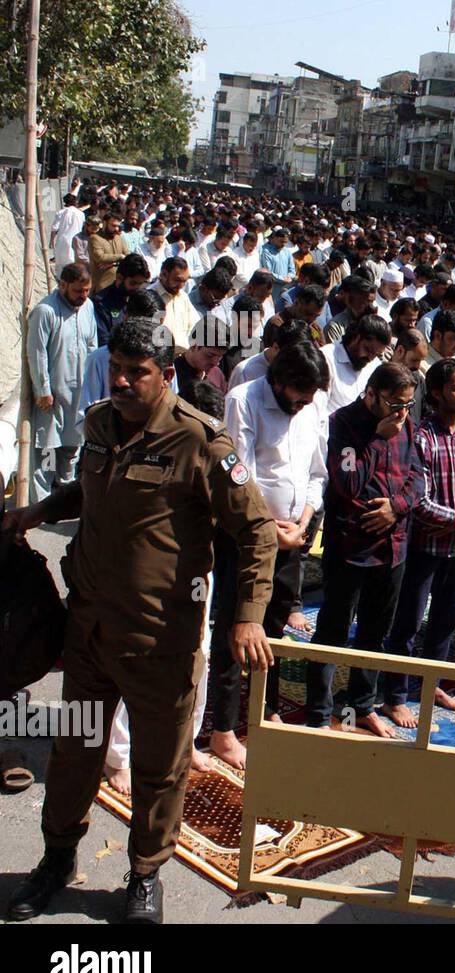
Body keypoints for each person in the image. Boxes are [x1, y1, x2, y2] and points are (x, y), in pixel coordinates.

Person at [3, 318, 276, 924]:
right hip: (91, 632)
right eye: (116, 369)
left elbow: (256, 530)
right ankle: (55, 860)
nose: (122, 381)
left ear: (167, 375)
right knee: (75, 751)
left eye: (138, 373)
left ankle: (146, 875)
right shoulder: (100, 422)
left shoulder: (201, 442)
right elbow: (89, 489)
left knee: (159, 765)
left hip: (162, 642)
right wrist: (40, 510)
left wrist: (248, 617)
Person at [208, 340, 330, 768]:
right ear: (278, 381)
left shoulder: (312, 405)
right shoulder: (243, 399)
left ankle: (265, 705)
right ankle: (222, 728)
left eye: (311, 397)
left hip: (294, 534)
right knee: (236, 624)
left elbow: (316, 471)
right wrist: (268, 531)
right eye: (299, 395)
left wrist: (305, 519)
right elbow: (241, 474)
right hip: (246, 536)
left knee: (274, 626)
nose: (305, 403)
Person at [306, 362, 421, 737]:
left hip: (394, 547)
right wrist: (377, 437)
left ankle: (361, 704)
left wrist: (395, 508)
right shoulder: (343, 423)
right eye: (394, 404)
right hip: (350, 548)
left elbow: (420, 478)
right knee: (334, 632)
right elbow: (348, 483)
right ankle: (320, 713)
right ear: (371, 393)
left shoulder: (405, 423)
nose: (402, 413)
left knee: (374, 631)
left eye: (407, 404)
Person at [379, 358, 455, 720]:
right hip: (425, 547)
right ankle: (394, 695)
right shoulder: (421, 437)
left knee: (443, 621)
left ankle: (430, 684)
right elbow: (419, 502)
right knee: (408, 622)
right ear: (437, 393)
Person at [26, 263, 97, 501]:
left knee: (73, 444)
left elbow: (92, 346)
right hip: (52, 394)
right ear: (63, 285)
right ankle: (43, 501)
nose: (83, 295)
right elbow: (37, 354)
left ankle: (65, 493)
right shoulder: (45, 311)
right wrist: (43, 389)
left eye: (87, 290)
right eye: (78, 291)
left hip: (79, 392)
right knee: (48, 445)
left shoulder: (88, 306)